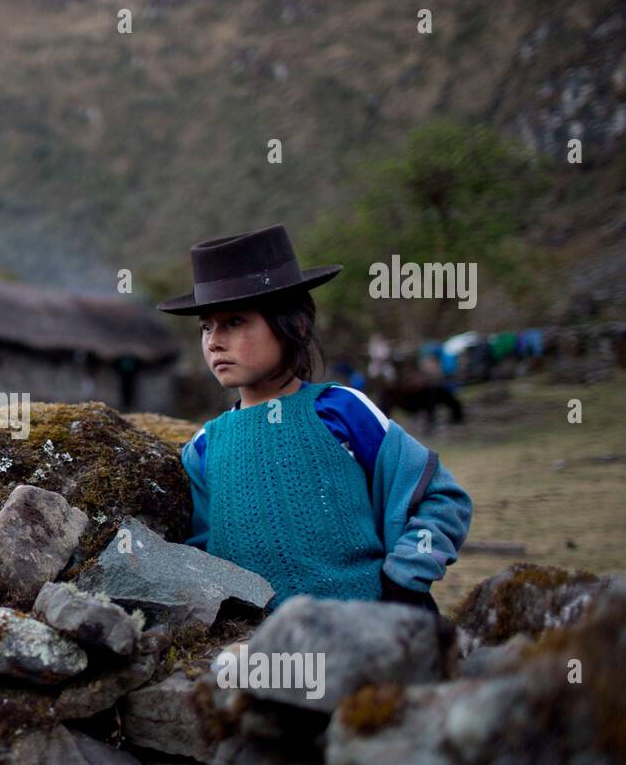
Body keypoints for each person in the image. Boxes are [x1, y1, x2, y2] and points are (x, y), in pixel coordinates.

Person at [158, 225, 472, 614]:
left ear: (295, 324)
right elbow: (208, 562)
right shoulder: (205, 449)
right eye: (206, 326)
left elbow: (441, 499)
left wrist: (404, 584)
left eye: (235, 322)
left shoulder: (340, 411)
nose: (214, 341)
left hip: (373, 637)